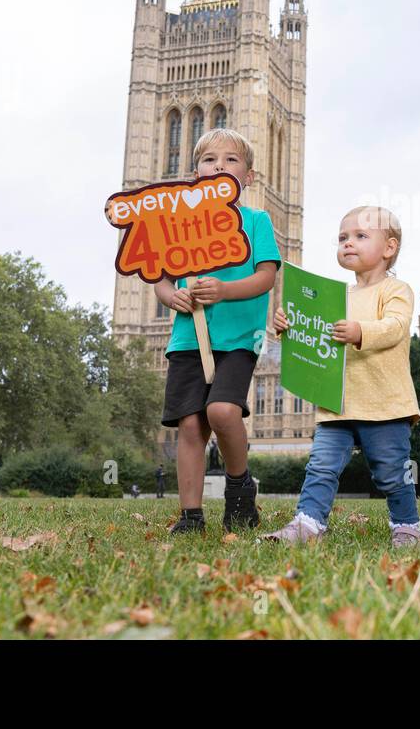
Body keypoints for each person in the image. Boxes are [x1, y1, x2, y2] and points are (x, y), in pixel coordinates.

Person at [264, 207, 420, 548]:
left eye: (360, 236)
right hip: (335, 402)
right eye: (342, 238)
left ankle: (406, 525)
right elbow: (313, 334)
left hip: (385, 404)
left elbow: (395, 328)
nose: (348, 243)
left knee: (393, 472)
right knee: (320, 467)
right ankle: (308, 523)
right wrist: (284, 327)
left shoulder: (396, 290)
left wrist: (359, 331)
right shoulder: (334, 297)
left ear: (389, 248)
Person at [155, 128, 281, 535]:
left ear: (249, 177)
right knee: (190, 425)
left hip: (240, 338)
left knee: (222, 411)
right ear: (195, 174)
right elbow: (159, 275)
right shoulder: (181, 223)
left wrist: (224, 290)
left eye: (231, 160)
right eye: (210, 160)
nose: (220, 167)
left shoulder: (256, 221)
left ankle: (239, 485)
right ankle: (191, 516)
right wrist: (170, 295)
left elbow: (265, 279)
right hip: (188, 337)